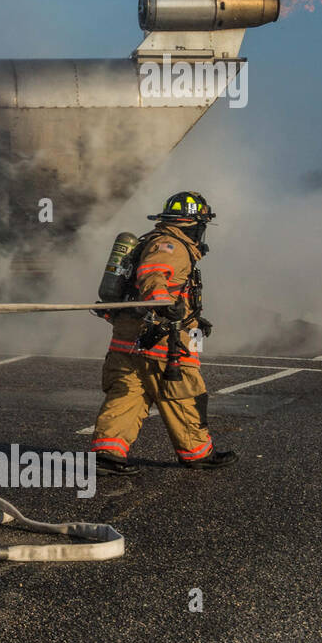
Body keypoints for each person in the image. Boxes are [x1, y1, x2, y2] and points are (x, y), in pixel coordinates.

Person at [91, 191, 237, 475]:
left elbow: (167, 288)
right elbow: (154, 276)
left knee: (127, 395)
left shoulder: (155, 240)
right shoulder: (172, 245)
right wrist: (163, 304)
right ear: (194, 223)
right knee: (183, 394)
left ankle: (107, 453)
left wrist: (193, 317)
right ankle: (197, 452)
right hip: (160, 342)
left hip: (128, 338)